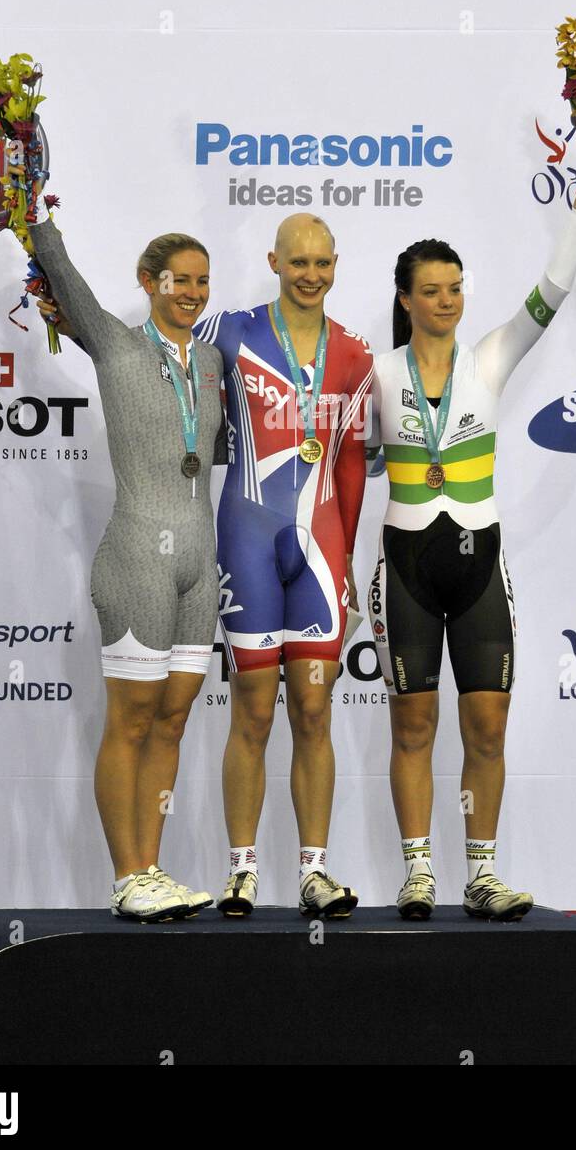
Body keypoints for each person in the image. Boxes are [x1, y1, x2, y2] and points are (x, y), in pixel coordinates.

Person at [366, 182, 576, 921]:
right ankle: (416, 874)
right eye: (431, 291)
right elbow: (356, 460)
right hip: (404, 564)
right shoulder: (374, 374)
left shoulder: (493, 356)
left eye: (456, 289)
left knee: (489, 725)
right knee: (411, 725)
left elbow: (554, 286)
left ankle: (481, 873)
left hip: (478, 565)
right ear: (404, 299)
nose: (447, 301)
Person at [30, 201, 226, 921]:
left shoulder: (208, 360)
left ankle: (153, 868)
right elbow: (61, 275)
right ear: (149, 282)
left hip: (199, 562)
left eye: (202, 282)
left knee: (173, 721)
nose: (192, 293)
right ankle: (125, 876)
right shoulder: (113, 343)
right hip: (138, 554)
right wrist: (33, 207)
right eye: (179, 280)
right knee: (132, 721)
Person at [194, 213, 373, 918]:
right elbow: (159, 358)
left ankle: (314, 872)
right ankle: (240, 870)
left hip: (322, 550)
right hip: (247, 537)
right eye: (297, 262)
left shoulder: (356, 354)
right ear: (273, 261)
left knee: (313, 709)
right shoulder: (230, 332)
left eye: (321, 264)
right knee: (253, 712)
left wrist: (350, 557)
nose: (310, 275)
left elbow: (353, 465)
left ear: (336, 264)